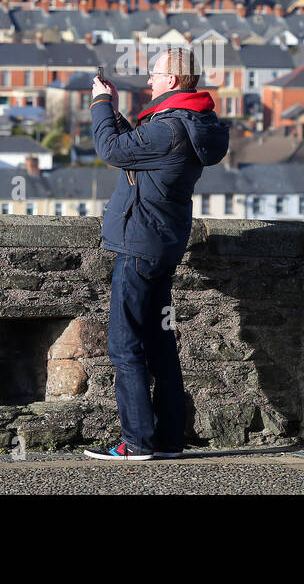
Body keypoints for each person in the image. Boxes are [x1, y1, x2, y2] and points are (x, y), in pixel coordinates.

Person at [83, 48, 229, 461]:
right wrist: (114, 112)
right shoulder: (190, 122)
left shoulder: (169, 128)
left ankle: (137, 442)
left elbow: (112, 151)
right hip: (163, 244)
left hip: (139, 247)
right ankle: (167, 439)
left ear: (174, 80)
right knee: (159, 343)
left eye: (154, 74)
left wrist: (100, 104)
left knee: (125, 345)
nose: (149, 81)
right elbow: (136, 148)